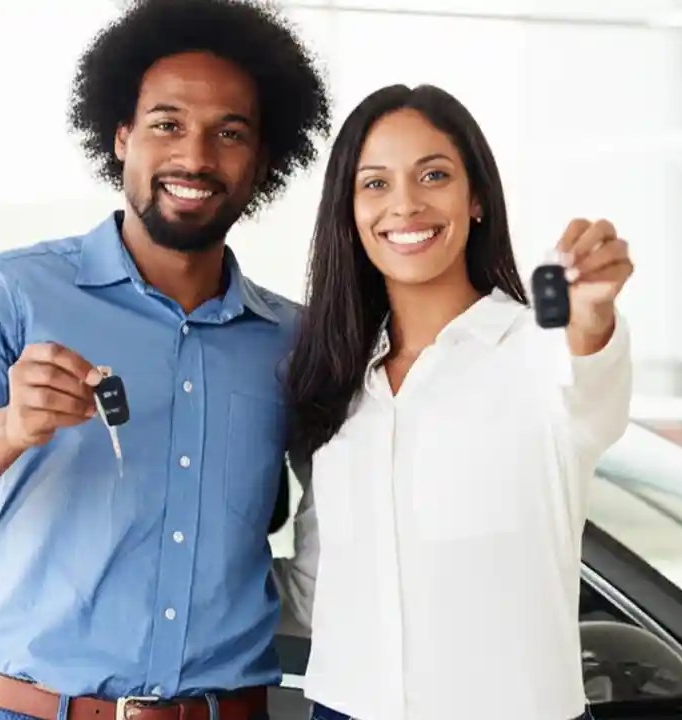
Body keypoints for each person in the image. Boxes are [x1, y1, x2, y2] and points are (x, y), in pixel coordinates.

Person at [0, 1, 331, 719]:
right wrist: (11, 427)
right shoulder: (13, 292)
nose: (195, 157)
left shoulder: (294, 341)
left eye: (230, 133)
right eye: (167, 124)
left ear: (264, 161)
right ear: (122, 137)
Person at [274, 84, 633, 720]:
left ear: (475, 200)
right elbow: (314, 585)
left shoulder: (533, 350)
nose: (405, 204)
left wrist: (589, 311)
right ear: (349, 213)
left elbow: (584, 372)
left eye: (433, 175)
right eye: (375, 183)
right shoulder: (335, 377)